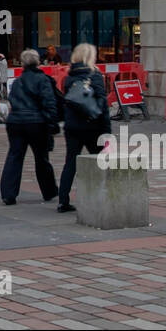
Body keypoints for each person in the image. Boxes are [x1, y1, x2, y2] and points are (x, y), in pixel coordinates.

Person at [0, 49, 60, 204]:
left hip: (16, 121)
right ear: (38, 62)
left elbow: (11, 98)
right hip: (36, 122)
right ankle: (49, 190)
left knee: (15, 156)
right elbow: (49, 103)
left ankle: (8, 193)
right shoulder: (43, 80)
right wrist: (52, 123)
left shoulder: (18, 81)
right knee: (41, 158)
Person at [56, 43, 111, 214]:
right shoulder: (94, 75)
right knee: (100, 162)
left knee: (70, 162)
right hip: (92, 125)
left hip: (72, 126)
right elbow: (102, 103)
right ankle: (102, 196)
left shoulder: (70, 76)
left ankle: (63, 200)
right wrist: (107, 131)